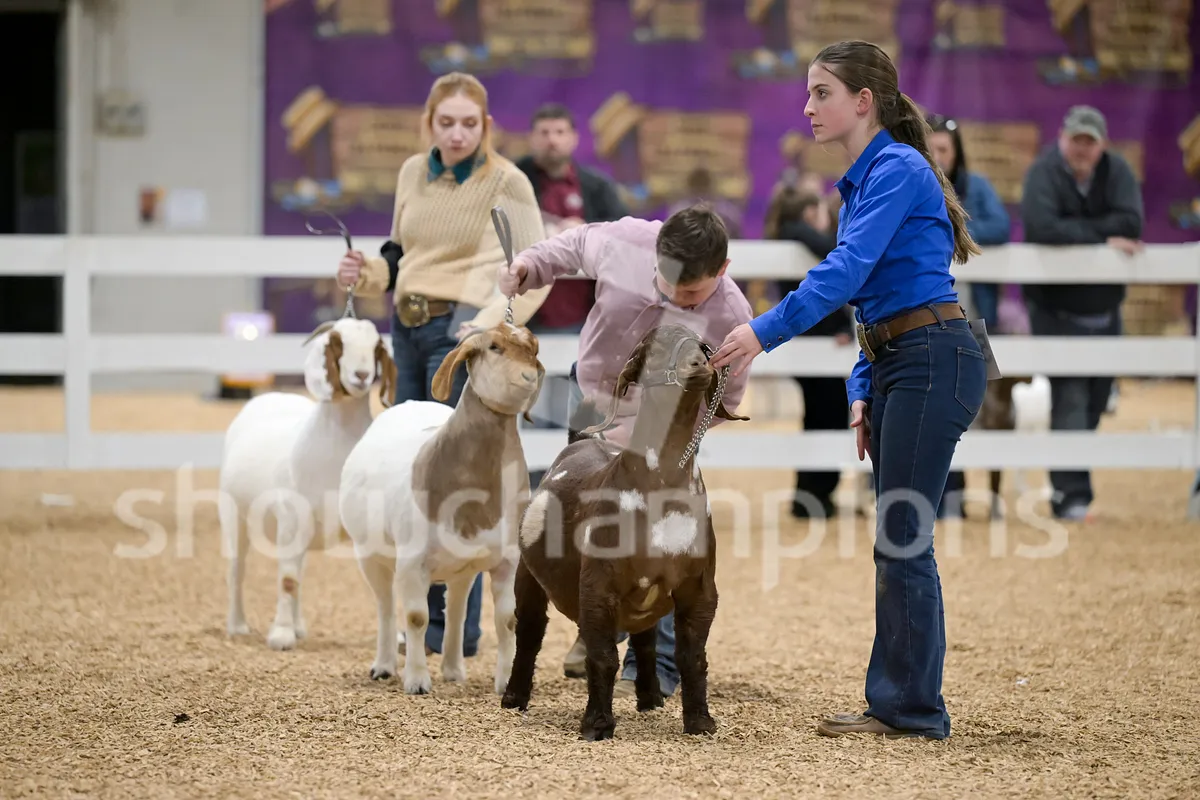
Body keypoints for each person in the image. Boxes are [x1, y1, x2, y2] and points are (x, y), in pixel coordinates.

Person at [711, 39, 988, 740]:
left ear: (863, 102)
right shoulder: (874, 176)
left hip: (930, 359)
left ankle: (912, 710)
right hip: (908, 358)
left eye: (821, 93)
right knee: (898, 537)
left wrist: (761, 332)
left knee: (904, 538)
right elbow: (874, 294)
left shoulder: (895, 169)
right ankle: (897, 703)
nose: (807, 108)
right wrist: (864, 381)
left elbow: (846, 272)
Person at [497, 205, 754, 699]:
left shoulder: (733, 317)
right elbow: (570, 246)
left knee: (662, 534)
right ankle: (593, 619)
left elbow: (726, 399)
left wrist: (667, 444)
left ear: (721, 272)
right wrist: (530, 266)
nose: (674, 295)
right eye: (667, 281)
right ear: (656, 254)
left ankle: (654, 665)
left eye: (691, 293)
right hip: (592, 398)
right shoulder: (627, 241)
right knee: (582, 514)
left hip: (662, 426)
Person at [336, 71, 550, 661]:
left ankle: (449, 633)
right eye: (446, 122)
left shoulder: (508, 181)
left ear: (487, 127)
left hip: (461, 332)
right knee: (417, 469)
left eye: (469, 124)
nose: (457, 134)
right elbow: (401, 255)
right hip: (404, 325)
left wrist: (482, 328)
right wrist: (368, 275)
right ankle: (424, 625)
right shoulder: (412, 172)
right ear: (428, 123)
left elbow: (529, 272)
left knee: (463, 471)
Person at [1020, 105, 1143, 522]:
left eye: (1090, 141)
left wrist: (1080, 230)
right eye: (1077, 140)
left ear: (1102, 144)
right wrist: (1103, 235)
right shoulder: (1042, 173)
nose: (1083, 148)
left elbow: (1133, 221)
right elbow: (1041, 227)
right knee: (1070, 398)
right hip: (1055, 309)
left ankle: (1070, 488)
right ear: (1063, 139)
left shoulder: (1118, 172)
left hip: (1104, 310)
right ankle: (1072, 498)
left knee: (1093, 402)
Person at [514, 103, 630, 488]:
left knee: (584, 414)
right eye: (544, 132)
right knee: (536, 414)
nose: (552, 140)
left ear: (573, 138)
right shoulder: (514, 183)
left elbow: (623, 238)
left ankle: (580, 489)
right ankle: (535, 494)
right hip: (530, 325)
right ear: (532, 138)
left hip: (587, 324)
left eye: (559, 132)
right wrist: (547, 227)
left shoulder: (596, 187)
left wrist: (586, 231)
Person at [925, 112, 1011, 519]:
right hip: (927, 320)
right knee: (937, 405)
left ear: (958, 153)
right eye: (932, 149)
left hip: (976, 321)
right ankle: (948, 499)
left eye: (945, 149)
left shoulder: (975, 188)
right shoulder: (911, 186)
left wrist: (951, 229)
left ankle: (991, 497)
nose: (938, 157)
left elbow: (1001, 226)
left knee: (987, 404)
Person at [762, 180, 856, 518]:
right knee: (827, 415)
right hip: (814, 343)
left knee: (820, 415)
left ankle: (811, 494)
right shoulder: (797, 232)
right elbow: (835, 249)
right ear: (807, 213)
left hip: (816, 339)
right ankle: (814, 495)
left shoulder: (789, 235)